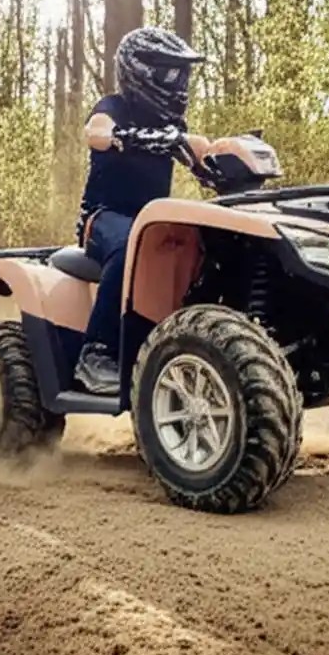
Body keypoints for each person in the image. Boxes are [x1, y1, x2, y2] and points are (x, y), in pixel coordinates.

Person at [72, 27, 206, 395]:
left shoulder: (173, 125)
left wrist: (220, 160)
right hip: (104, 218)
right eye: (170, 73)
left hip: (155, 223)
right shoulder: (114, 107)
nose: (179, 83)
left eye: (182, 74)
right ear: (141, 72)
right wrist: (124, 137)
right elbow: (96, 132)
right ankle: (96, 352)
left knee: (210, 243)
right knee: (131, 243)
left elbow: (199, 150)